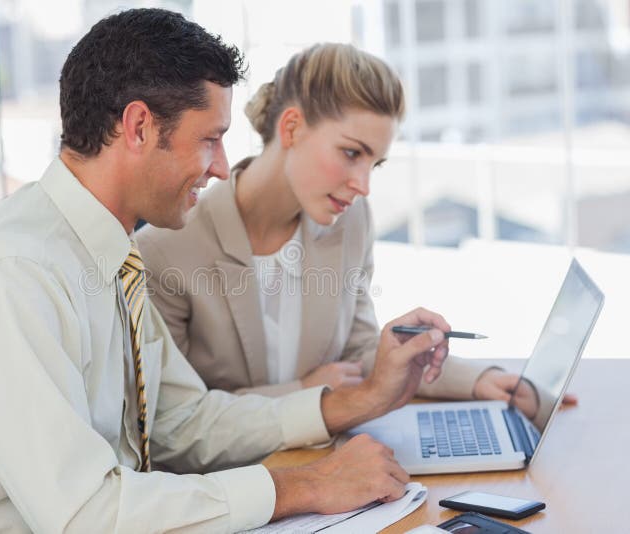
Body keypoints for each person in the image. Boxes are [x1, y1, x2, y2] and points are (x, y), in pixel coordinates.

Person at [0, 10, 459, 533]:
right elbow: (85, 514)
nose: (223, 168)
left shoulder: (108, 258)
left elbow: (185, 421)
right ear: (139, 127)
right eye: (210, 140)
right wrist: (303, 487)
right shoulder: (8, 274)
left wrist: (356, 402)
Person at [136, 43, 564, 406]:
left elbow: (357, 354)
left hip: (334, 464)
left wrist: (476, 380)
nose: (362, 186)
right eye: (351, 153)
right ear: (292, 128)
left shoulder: (349, 220)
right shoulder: (165, 249)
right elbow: (177, 418)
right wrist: (304, 394)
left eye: (374, 164)